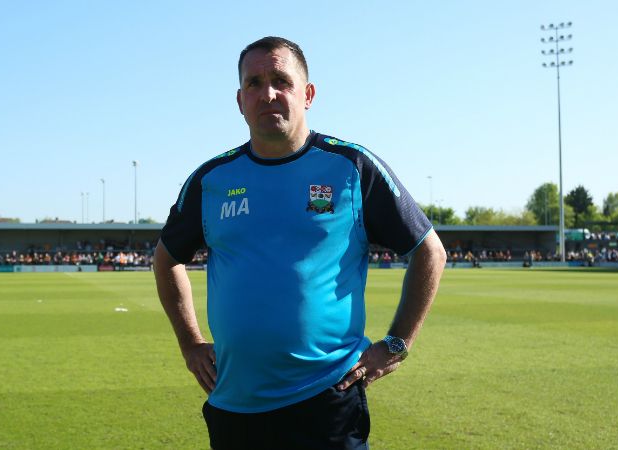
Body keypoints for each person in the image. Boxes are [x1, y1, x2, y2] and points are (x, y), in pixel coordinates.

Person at [154, 36, 446, 449]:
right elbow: (166, 259)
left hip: (327, 401)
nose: (267, 93)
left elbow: (429, 250)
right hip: (235, 403)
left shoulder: (351, 167)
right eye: (253, 83)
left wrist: (398, 343)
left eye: (281, 81)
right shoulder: (211, 180)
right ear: (240, 100)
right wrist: (190, 343)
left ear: (307, 94)